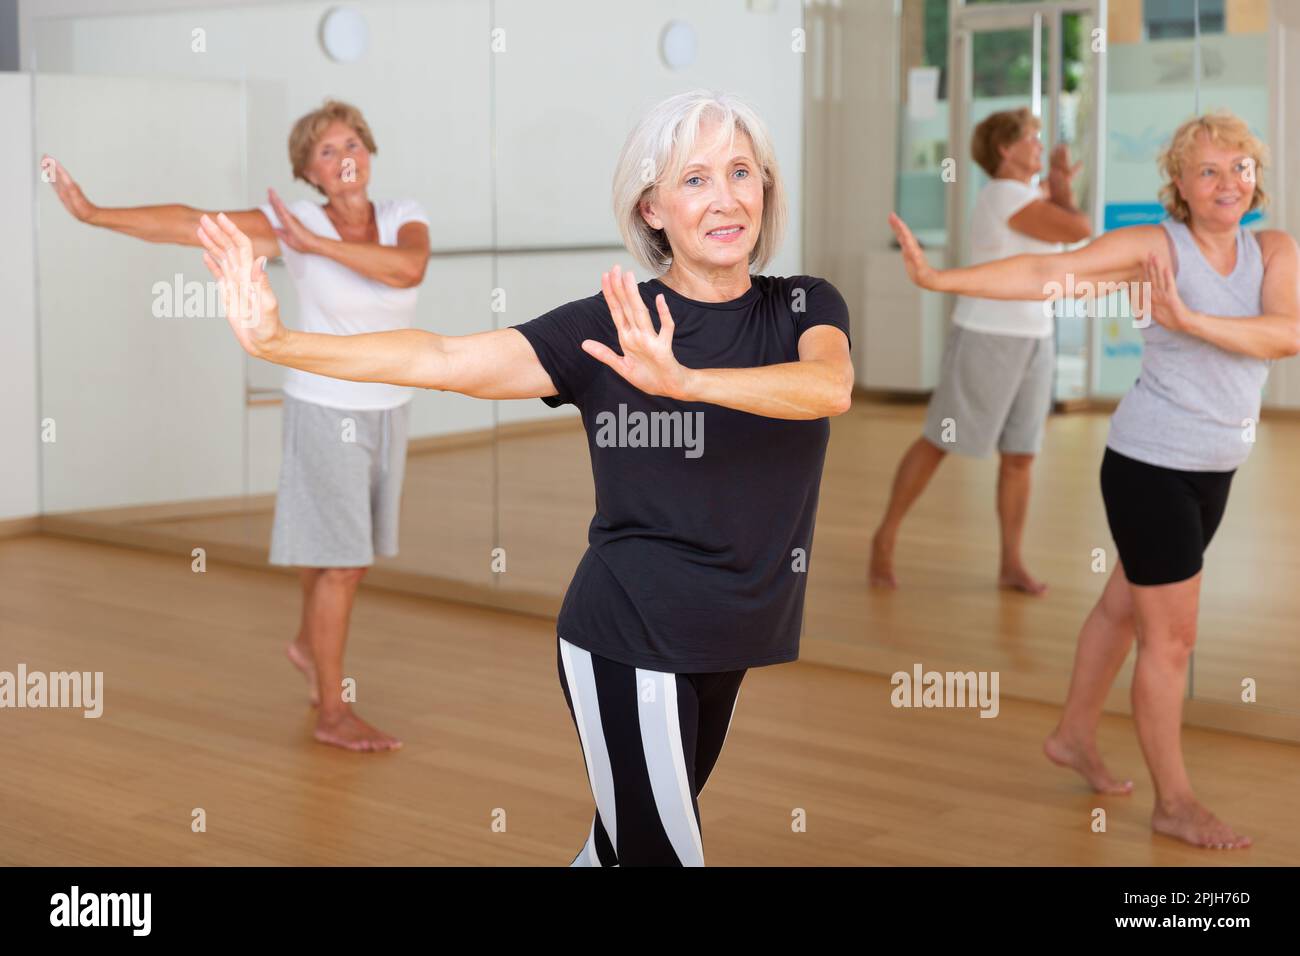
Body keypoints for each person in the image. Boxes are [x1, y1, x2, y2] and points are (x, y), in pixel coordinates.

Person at [198, 89, 854, 865]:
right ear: (652, 208)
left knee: (616, 854)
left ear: (766, 189)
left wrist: (686, 383)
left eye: (741, 172)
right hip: (632, 632)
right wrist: (278, 343)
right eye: (695, 179)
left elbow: (828, 389)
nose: (725, 197)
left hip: (734, 636)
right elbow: (444, 358)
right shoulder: (611, 326)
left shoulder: (805, 305)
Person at [889, 110, 1300, 849]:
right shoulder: (1155, 246)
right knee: (1169, 638)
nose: (1227, 182)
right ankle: (1174, 802)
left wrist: (1189, 320)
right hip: (1152, 466)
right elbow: (1050, 271)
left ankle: (1075, 733)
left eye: (1239, 167)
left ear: (1256, 176)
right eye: (1208, 170)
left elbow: (1287, 334)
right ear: (1179, 182)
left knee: (1122, 607)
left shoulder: (1274, 250)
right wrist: (939, 276)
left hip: (1215, 467)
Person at [45, 99, 431, 752]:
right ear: (308, 171)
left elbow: (407, 268)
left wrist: (313, 246)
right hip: (324, 407)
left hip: (390, 409)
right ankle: (333, 712)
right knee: (342, 563)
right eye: (327, 151)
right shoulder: (293, 221)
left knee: (343, 558)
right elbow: (192, 222)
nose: (345, 158)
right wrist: (93, 212)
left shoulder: (402, 217)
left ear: (370, 153)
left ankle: (309, 645)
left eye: (352, 144)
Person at [871, 107, 1091, 593]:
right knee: (938, 441)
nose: (1038, 144)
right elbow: (1076, 229)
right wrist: (1058, 185)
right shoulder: (1003, 194)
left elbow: (1075, 232)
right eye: (1030, 138)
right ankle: (884, 537)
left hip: (1036, 337)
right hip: (987, 336)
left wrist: (1059, 184)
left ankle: (1011, 562)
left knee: (1021, 456)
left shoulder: (1030, 195)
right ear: (1004, 150)